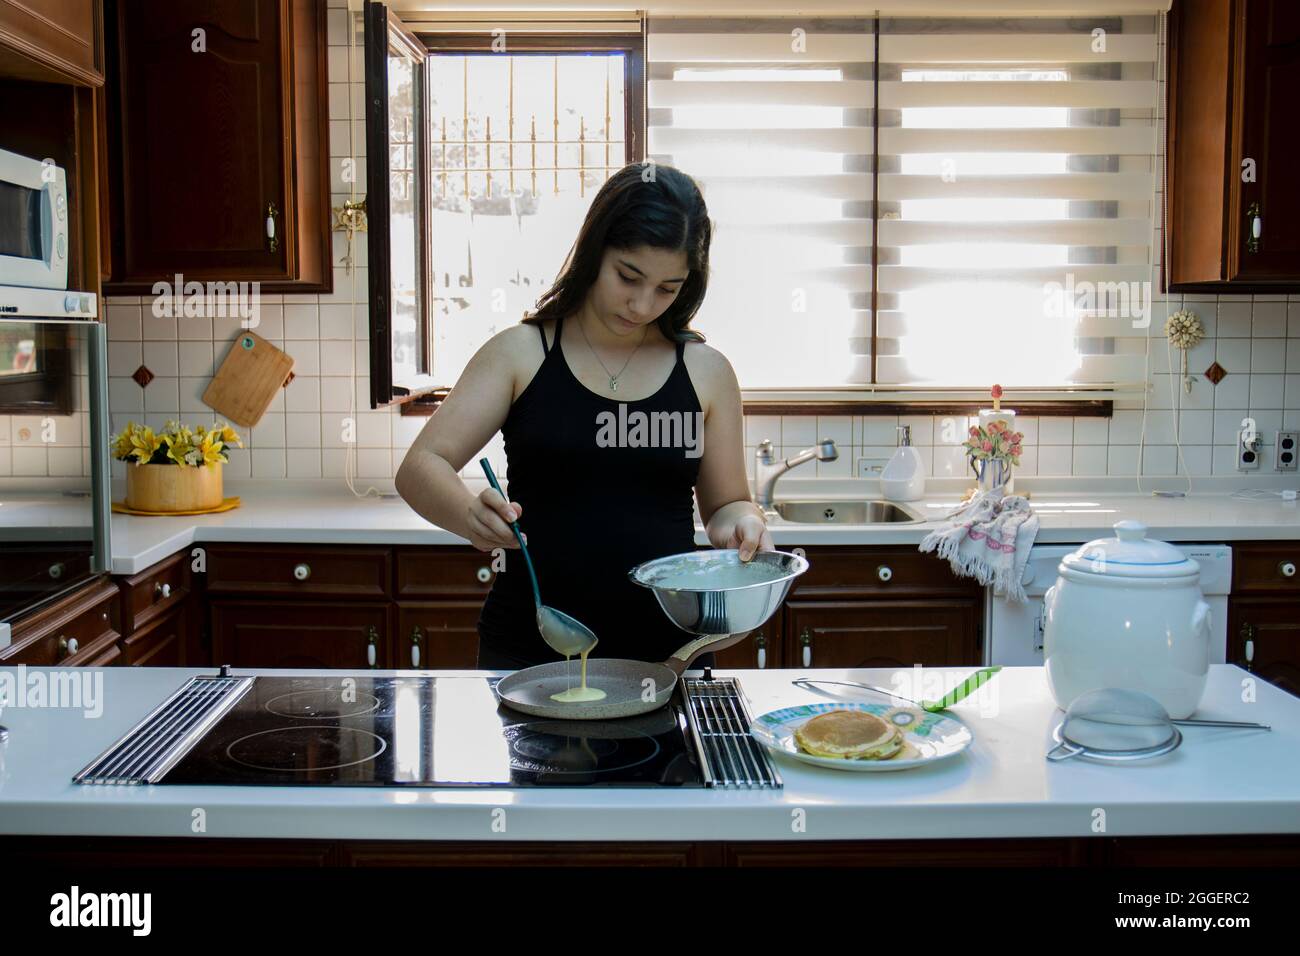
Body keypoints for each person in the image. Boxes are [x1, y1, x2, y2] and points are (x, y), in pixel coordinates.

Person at [395, 162, 772, 669]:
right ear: (595, 250)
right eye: (628, 276)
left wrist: (745, 523)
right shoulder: (521, 353)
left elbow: (726, 506)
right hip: (532, 653)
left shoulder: (707, 372)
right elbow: (420, 466)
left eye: (667, 288)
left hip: (668, 657)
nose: (641, 304)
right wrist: (468, 515)